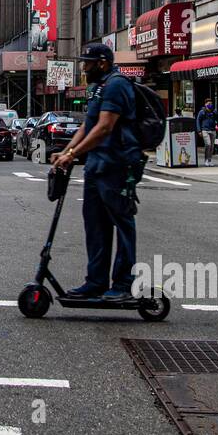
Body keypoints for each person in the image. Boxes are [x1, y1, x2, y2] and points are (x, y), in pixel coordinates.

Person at [51, 43, 142, 302]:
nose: (83, 67)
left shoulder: (116, 85)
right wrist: (67, 151)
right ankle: (96, 282)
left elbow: (104, 128)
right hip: (96, 167)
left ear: (102, 62)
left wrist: (72, 154)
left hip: (117, 166)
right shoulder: (99, 88)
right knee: (95, 226)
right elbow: (87, 126)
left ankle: (124, 284)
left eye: (86, 63)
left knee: (123, 226)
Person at [196, 100, 218, 166]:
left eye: (211, 103)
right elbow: (198, 121)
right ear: (205, 104)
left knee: (212, 146)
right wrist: (199, 130)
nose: (210, 105)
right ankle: (206, 160)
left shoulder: (214, 112)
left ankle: (209, 160)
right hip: (205, 130)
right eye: (209, 103)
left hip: (213, 130)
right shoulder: (202, 112)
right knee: (208, 144)